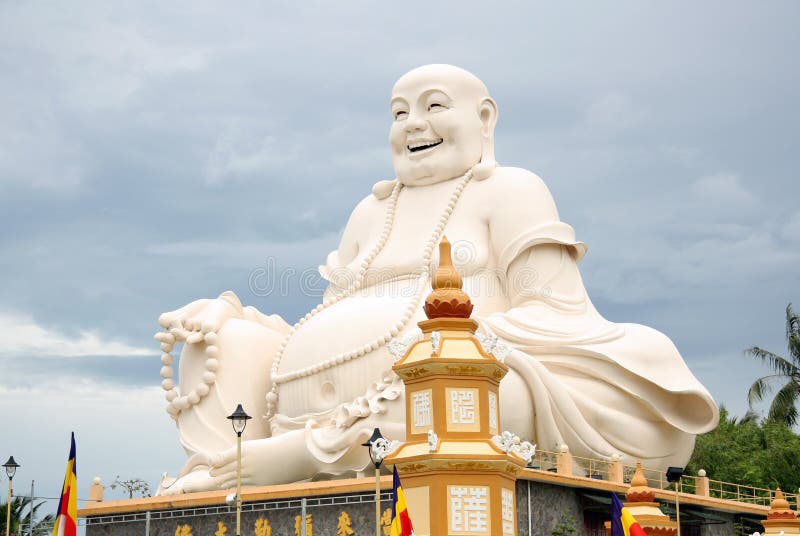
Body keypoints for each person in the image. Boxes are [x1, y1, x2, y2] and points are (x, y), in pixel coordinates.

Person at [156, 64, 718, 494]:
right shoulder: (369, 213)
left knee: (487, 395)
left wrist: (444, 349)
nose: (413, 125)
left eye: (433, 107)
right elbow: (322, 319)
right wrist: (229, 317)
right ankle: (230, 461)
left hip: (458, 376)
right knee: (222, 339)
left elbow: (555, 311)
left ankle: (298, 457)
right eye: (399, 113)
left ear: (485, 119)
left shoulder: (512, 189)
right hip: (341, 393)